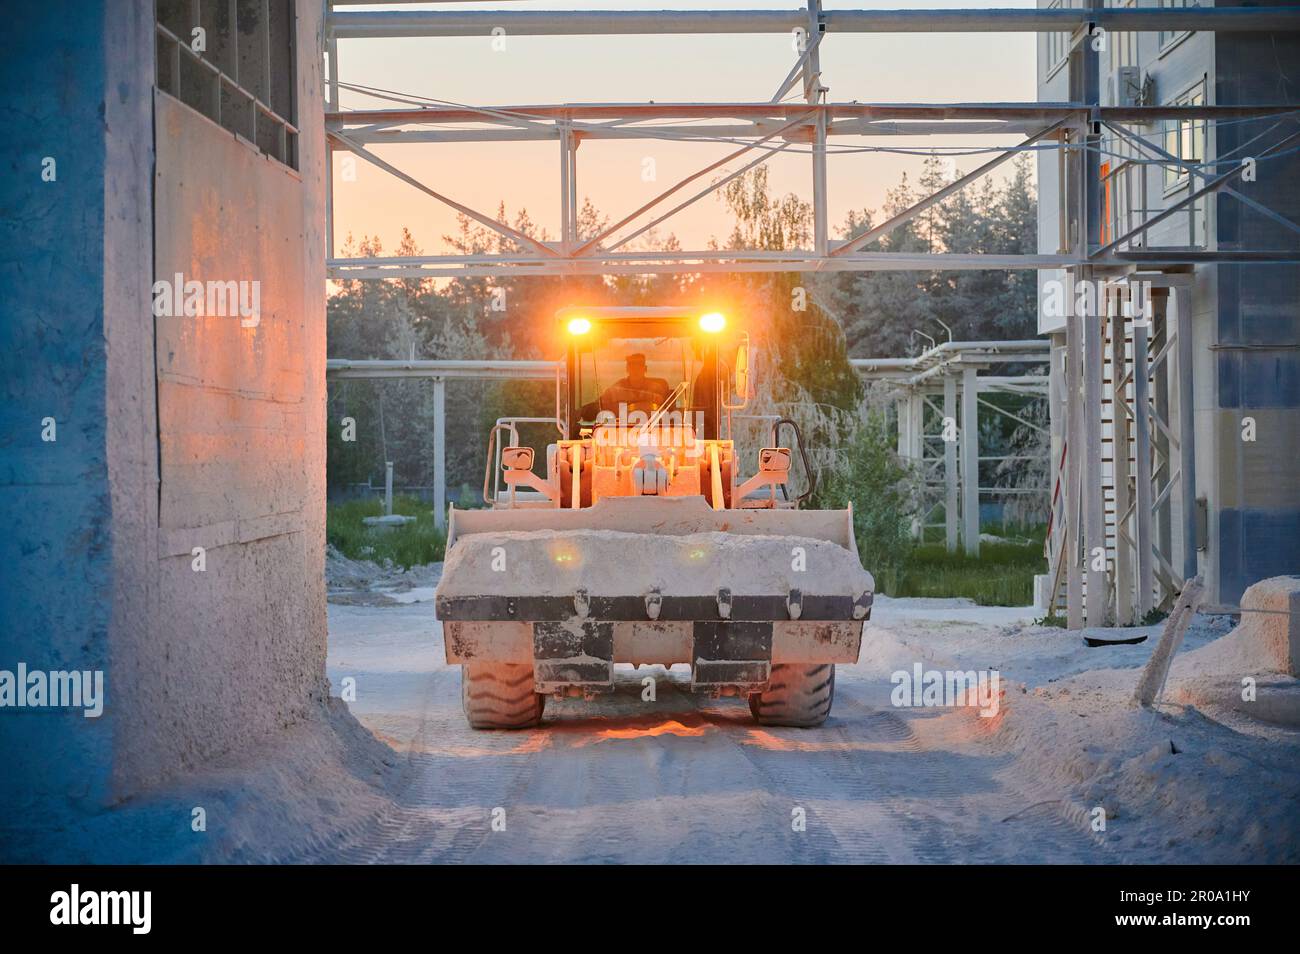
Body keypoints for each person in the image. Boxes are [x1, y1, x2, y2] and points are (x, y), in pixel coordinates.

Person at [598, 353, 671, 413]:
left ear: (645, 368)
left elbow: (669, 411)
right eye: (632, 365)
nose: (636, 369)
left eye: (639, 365)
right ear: (627, 368)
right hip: (622, 428)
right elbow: (599, 407)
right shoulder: (615, 391)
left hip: (654, 428)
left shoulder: (657, 389)